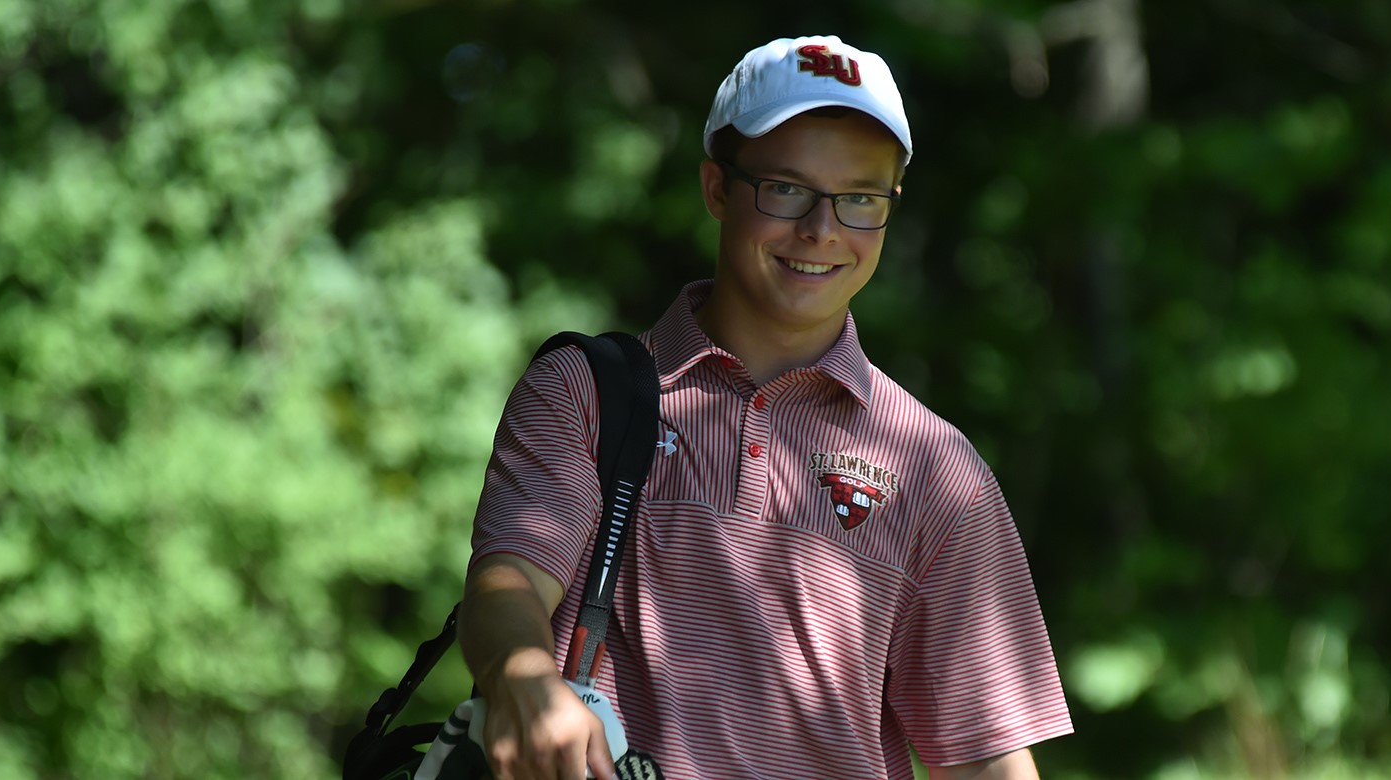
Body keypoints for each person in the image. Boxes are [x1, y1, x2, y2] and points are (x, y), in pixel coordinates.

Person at [458, 35, 1073, 779]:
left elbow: (985, 759)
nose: (821, 229)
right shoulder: (584, 392)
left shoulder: (937, 468)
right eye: (786, 188)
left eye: (859, 199)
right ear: (717, 188)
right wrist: (523, 677)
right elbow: (507, 585)